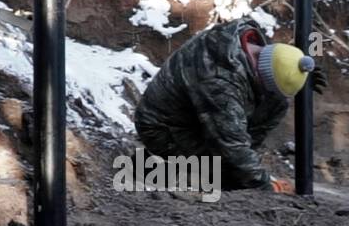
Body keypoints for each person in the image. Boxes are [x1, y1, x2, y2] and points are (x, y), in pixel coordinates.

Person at [133, 18, 324, 193]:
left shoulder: (248, 44)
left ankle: (240, 170)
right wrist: (266, 186)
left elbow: (279, 67)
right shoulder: (219, 81)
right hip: (163, 127)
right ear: (261, 76)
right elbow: (231, 143)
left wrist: (296, 74)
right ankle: (149, 168)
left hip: (197, 114)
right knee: (227, 178)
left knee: (276, 104)